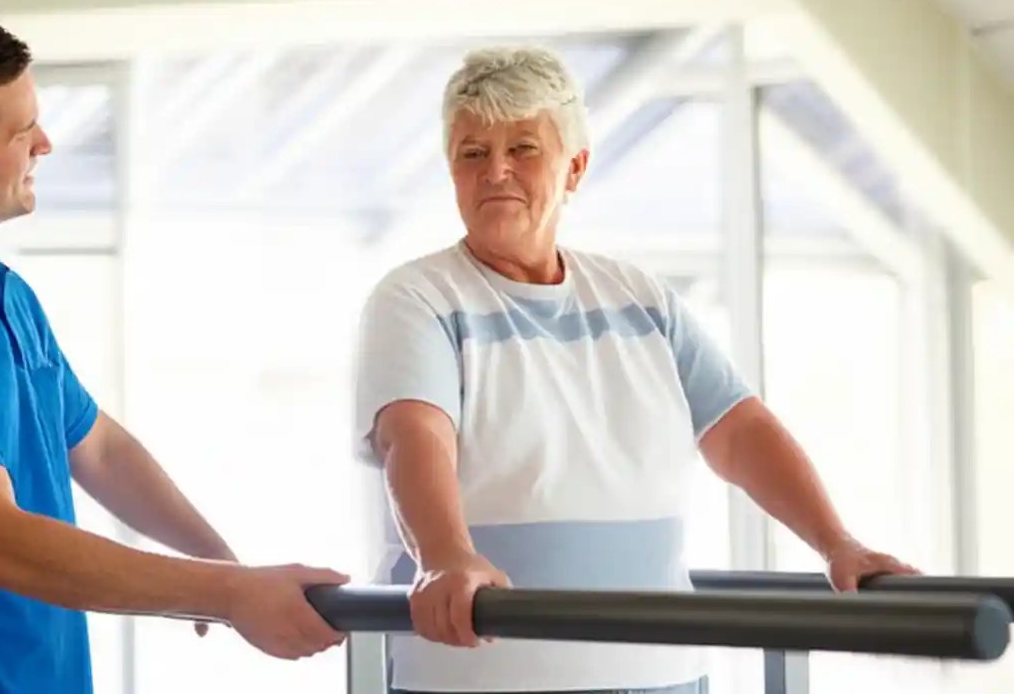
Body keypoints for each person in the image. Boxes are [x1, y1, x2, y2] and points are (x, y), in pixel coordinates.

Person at [0, 9, 347, 694]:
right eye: (24, 133)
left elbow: (98, 449)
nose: (47, 145)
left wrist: (224, 567)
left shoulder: (0, 291)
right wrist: (225, 594)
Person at [352, 45, 919, 694]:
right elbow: (416, 436)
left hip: (662, 672)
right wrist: (444, 556)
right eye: (472, 153)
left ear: (575, 168)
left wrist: (836, 544)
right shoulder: (418, 297)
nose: (496, 170)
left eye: (524, 148)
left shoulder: (641, 298)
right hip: (486, 676)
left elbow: (739, 430)